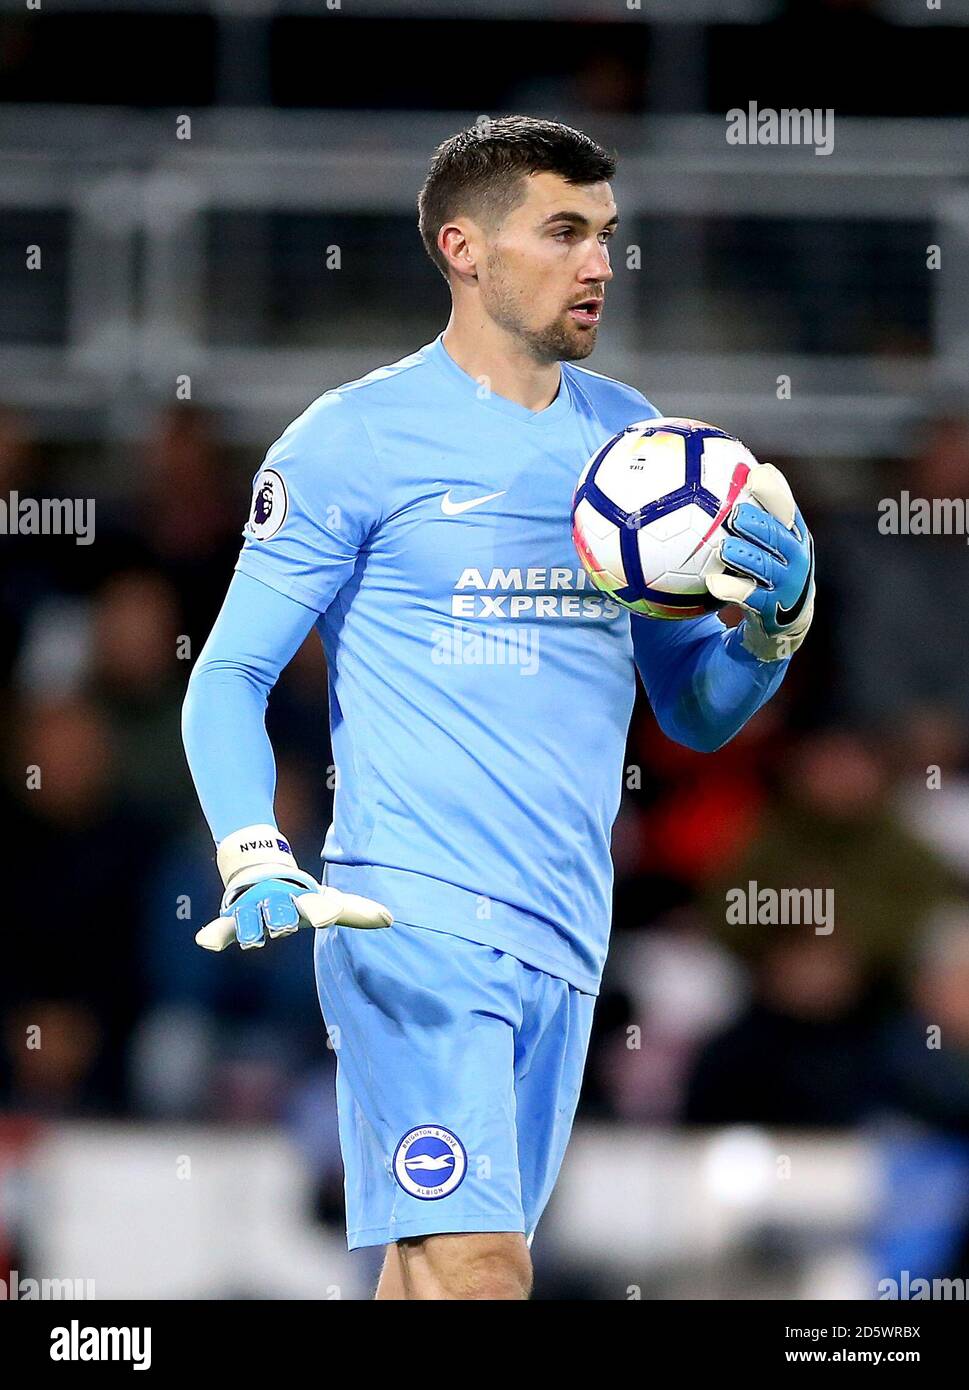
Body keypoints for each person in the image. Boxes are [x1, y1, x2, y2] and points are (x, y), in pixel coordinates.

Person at [181, 116, 814, 1300]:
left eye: (607, 236)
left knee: (438, 1274)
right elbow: (228, 675)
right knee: (479, 1266)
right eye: (564, 232)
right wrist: (252, 848)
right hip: (408, 919)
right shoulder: (352, 439)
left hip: (566, 933)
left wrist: (770, 635)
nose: (598, 264)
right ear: (462, 248)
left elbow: (692, 711)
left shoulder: (638, 445)